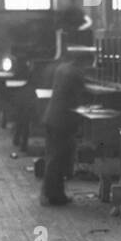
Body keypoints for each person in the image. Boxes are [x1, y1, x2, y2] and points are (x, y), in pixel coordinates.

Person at [40, 47, 91, 206]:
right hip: (63, 121)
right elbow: (82, 93)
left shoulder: (62, 68)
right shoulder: (75, 73)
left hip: (52, 117)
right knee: (58, 159)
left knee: (54, 158)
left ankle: (54, 194)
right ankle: (52, 196)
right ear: (84, 62)